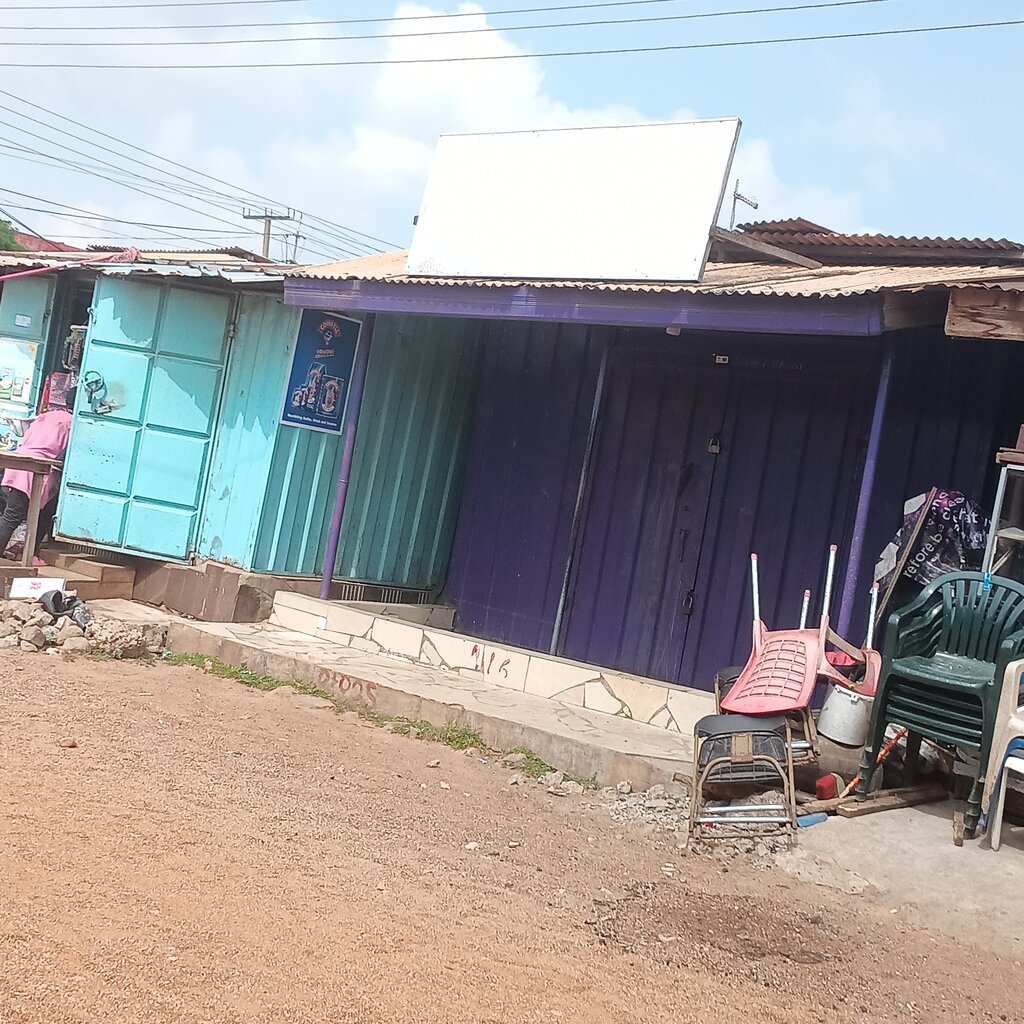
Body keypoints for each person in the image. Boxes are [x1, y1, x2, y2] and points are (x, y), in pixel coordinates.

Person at [0, 387, 76, 565]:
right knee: (16, 516)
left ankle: (28, 552)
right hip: (38, 468)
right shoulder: (74, 423)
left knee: (37, 513)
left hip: (20, 463)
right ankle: (28, 554)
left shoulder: (47, 415)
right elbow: (66, 453)